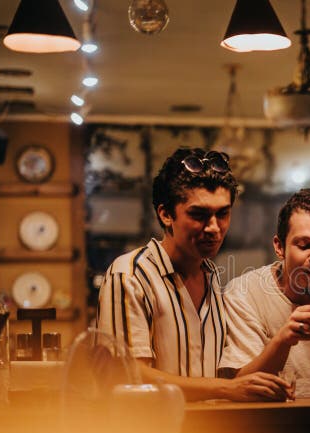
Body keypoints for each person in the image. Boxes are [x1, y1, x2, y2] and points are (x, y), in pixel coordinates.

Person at [96, 147, 289, 402]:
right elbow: (127, 376)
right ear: (166, 214)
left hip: (207, 427)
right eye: (199, 215)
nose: (213, 227)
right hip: (151, 427)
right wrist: (224, 389)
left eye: (223, 213)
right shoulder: (130, 275)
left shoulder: (211, 275)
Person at [218, 189, 310, 398]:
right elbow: (240, 386)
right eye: (305, 245)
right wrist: (283, 339)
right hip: (265, 418)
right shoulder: (245, 293)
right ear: (279, 247)